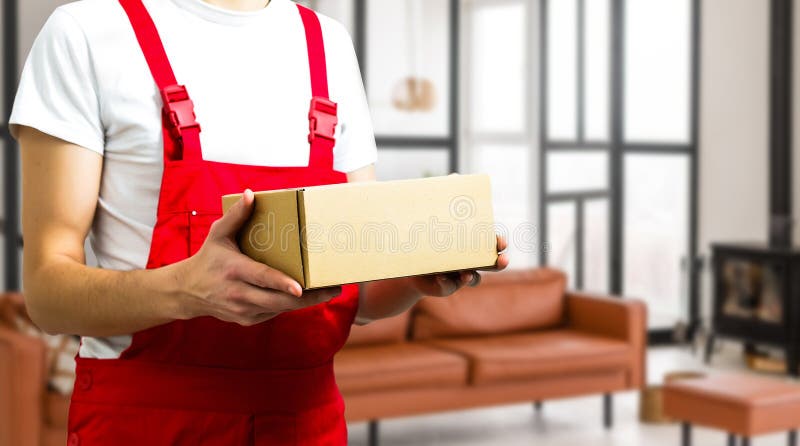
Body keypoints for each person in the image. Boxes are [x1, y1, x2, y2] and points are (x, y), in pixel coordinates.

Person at [10, 0, 508, 444]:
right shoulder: (87, 33)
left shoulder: (328, 44)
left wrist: (415, 276)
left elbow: (352, 295)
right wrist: (188, 290)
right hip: (147, 422)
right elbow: (47, 295)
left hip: (306, 422)